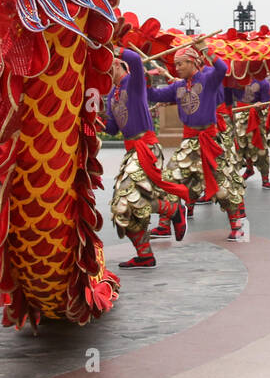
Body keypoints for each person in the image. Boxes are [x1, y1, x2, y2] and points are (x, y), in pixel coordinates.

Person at [103, 50, 189, 268]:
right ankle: (145, 255)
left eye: (108, 64)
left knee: (125, 202)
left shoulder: (133, 81)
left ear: (118, 64)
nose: (105, 70)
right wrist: (93, 118)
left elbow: (134, 59)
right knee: (124, 210)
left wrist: (113, 46)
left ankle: (172, 209)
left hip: (146, 148)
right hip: (131, 152)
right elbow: (112, 129)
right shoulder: (111, 94)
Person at [154, 45, 246, 239]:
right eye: (176, 65)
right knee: (170, 178)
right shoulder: (178, 86)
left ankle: (237, 223)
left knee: (222, 184)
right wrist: (140, 80)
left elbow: (222, 69)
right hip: (189, 144)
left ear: (191, 62)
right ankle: (164, 225)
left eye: (180, 64)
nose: (177, 68)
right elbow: (155, 94)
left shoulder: (207, 80)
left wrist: (207, 50)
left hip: (210, 141)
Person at [225, 78, 270, 193]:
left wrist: (260, 105)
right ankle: (246, 170)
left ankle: (265, 179)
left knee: (260, 149)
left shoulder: (262, 82)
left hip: (256, 118)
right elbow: (227, 99)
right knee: (240, 148)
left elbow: (266, 102)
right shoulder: (234, 81)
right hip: (238, 118)